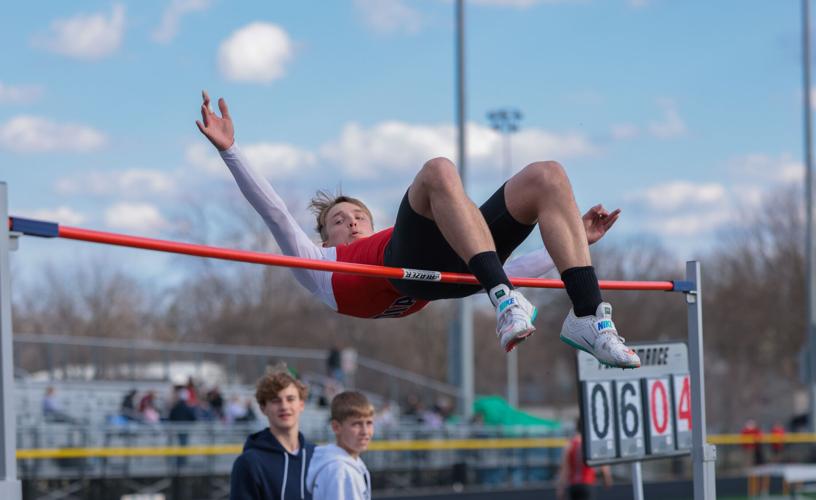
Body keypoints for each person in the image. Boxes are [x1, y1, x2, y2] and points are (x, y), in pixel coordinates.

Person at [196, 91, 640, 368]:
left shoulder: (403, 231)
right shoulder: (315, 264)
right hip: (406, 269)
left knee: (548, 175)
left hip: (454, 271)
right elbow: (273, 212)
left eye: (358, 217)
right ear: (324, 239)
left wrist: (577, 238)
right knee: (438, 170)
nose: (351, 222)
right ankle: (504, 300)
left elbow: (516, 264)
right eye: (339, 221)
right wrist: (231, 151)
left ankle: (588, 318)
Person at [230, 369, 316, 500]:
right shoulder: (249, 463)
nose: (284, 406)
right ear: (263, 408)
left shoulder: (318, 457)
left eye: (290, 399)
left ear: (301, 405)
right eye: (275, 400)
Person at [306, 391, 373, 500]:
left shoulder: (348, 464)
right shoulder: (340, 471)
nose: (365, 431)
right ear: (336, 427)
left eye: (369, 423)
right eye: (356, 424)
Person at [557, 418, 612, 500]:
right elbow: (603, 463)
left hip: (574, 486)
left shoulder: (569, 444)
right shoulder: (590, 443)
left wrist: (560, 488)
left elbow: (564, 469)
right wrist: (607, 478)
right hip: (587, 483)